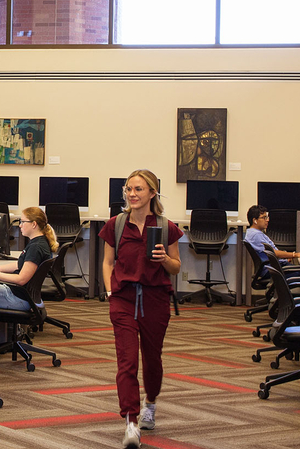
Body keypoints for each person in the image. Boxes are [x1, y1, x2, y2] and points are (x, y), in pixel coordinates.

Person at [99, 169, 183, 448]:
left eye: (138, 189)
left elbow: (176, 266)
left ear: (152, 192)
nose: (132, 194)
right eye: (128, 189)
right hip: (122, 299)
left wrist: (163, 259)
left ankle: (151, 403)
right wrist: (110, 291)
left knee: (152, 360)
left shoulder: (166, 226)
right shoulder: (116, 224)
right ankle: (131, 422)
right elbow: (108, 262)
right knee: (127, 362)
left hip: (155, 299)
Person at [0, 205, 58, 310]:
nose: (20, 225)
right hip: (23, 295)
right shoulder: (38, 242)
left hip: (18, 299)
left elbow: (21, 279)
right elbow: (19, 264)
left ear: (34, 224)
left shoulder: (36, 247)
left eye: (23, 222)